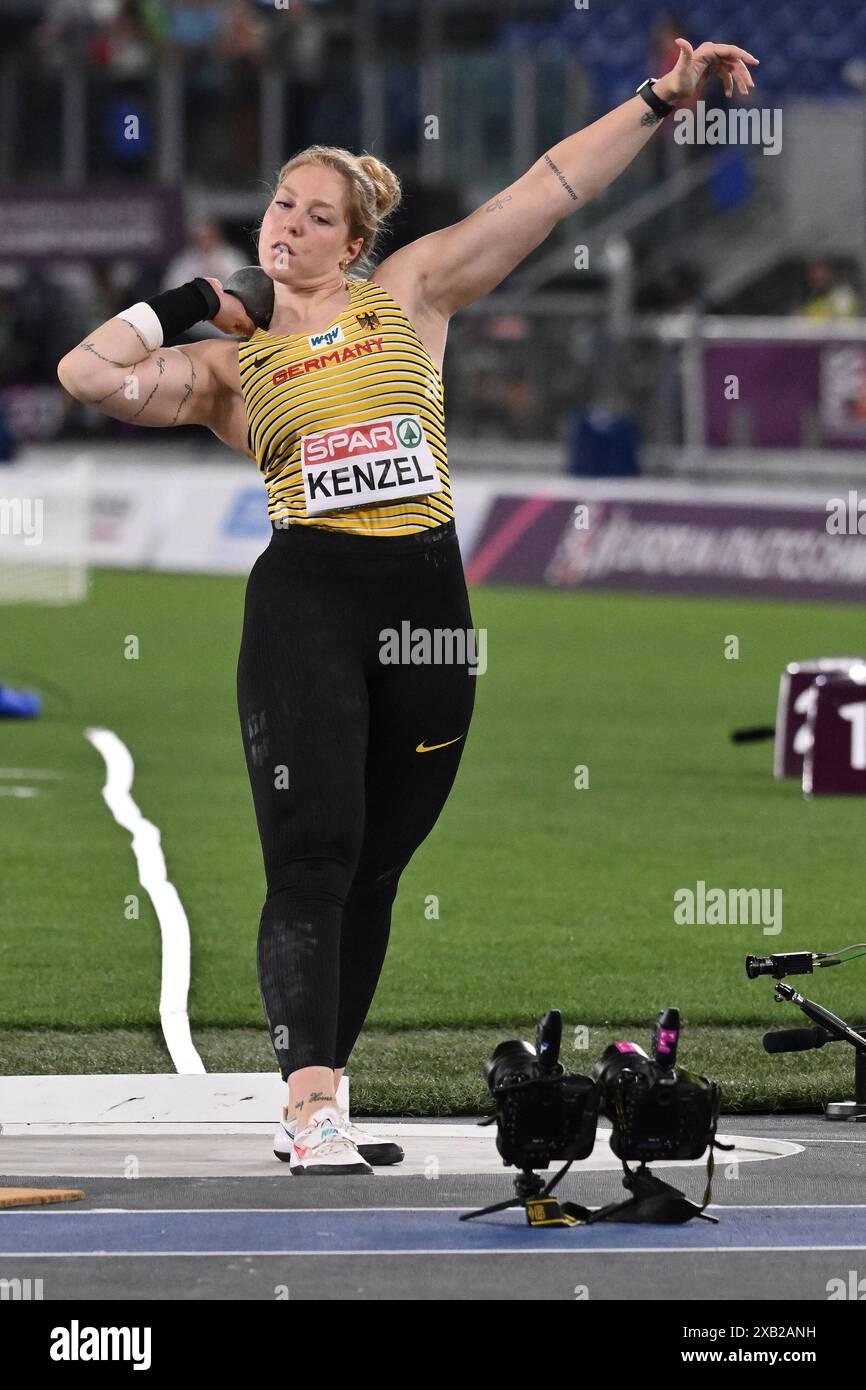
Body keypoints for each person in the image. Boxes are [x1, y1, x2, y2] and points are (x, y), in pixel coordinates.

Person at [57, 36, 758, 1176]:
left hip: (427, 602)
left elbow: (548, 188)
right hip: (308, 605)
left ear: (356, 239)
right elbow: (86, 377)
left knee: (378, 862)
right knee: (312, 853)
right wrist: (190, 298)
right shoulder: (230, 371)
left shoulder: (409, 294)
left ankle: (327, 1090)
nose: (285, 222)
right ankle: (307, 1102)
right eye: (277, 204)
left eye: (315, 212)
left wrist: (658, 100)